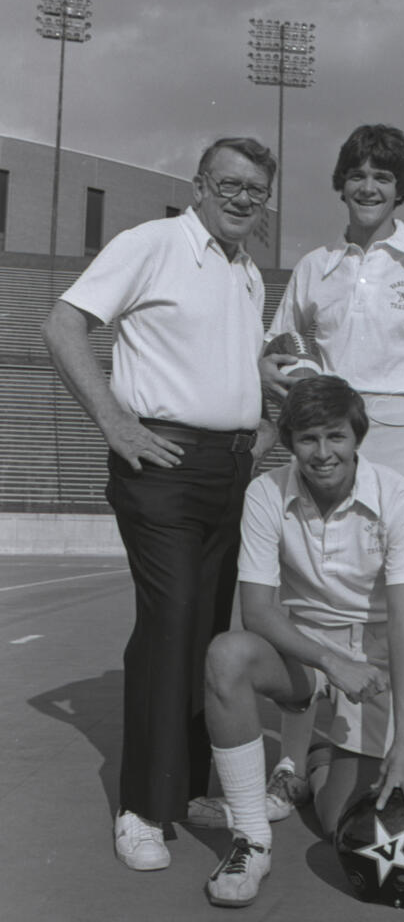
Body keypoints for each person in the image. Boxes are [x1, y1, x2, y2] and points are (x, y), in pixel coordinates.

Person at [41, 136, 278, 871]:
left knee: (207, 632)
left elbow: (228, 366)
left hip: (229, 469)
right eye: (228, 184)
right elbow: (62, 324)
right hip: (162, 464)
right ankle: (143, 806)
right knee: (171, 621)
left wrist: (260, 421)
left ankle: (187, 788)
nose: (242, 199)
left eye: (255, 190)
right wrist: (114, 421)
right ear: (199, 185)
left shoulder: (248, 274)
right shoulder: (152, 242)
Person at [259, 124, 404, 816]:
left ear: (400, 189)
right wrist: (282, 380)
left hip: (399, 430)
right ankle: (289, 760)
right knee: (304, 591)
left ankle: (393, 750)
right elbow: (281, 342)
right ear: (340, 183)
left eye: (382, 176)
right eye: (357, 174)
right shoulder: (315, 264)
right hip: (326, 430)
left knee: (389, 600)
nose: (368, 186)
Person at [202, 375, 404, 907]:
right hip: (303, 648)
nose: (322, 453)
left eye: (335, 437)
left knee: (344, 827)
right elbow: (257, 611)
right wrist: (331, 663)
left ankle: (313, 759)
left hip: (373, 650)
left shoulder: (398, 499)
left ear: (358, 438)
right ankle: (250, 837)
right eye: (308, 439)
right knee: (226, 656)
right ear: (290, 443)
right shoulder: (265, 491)